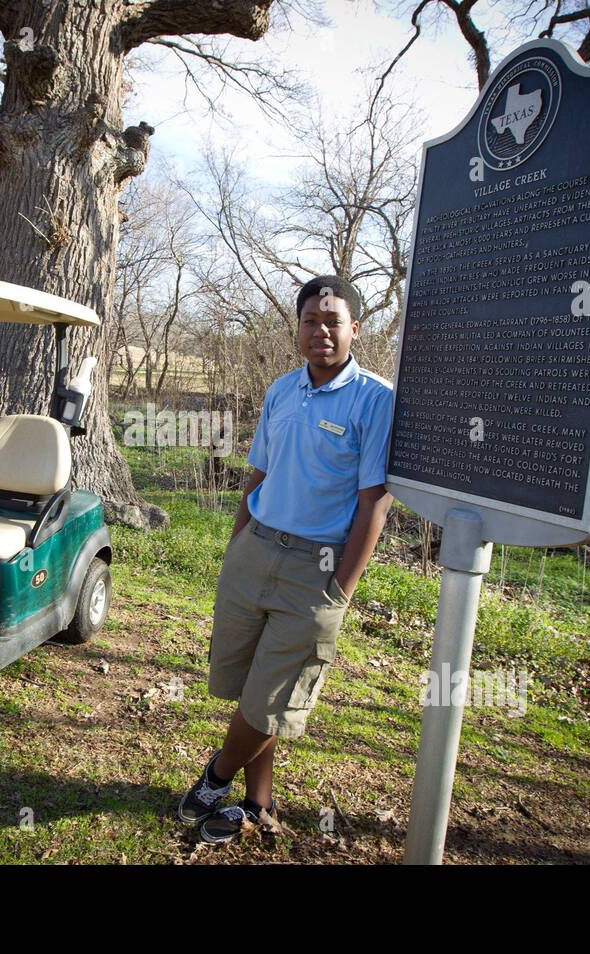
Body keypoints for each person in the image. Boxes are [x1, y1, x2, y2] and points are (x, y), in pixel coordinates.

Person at [178, 274, 394, 844]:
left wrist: (341, 590)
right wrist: (237, 545)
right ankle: (258, 803)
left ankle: (216, 776)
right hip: (255, 552)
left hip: (314, 570)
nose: (321, 331)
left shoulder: (376, 399)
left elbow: (374, 503)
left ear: (354, 329)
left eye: (333, 322)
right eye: (310, 321)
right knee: (250, 686)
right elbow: (259, 473)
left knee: (272, 694)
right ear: (297, 328)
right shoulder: (281, 390)